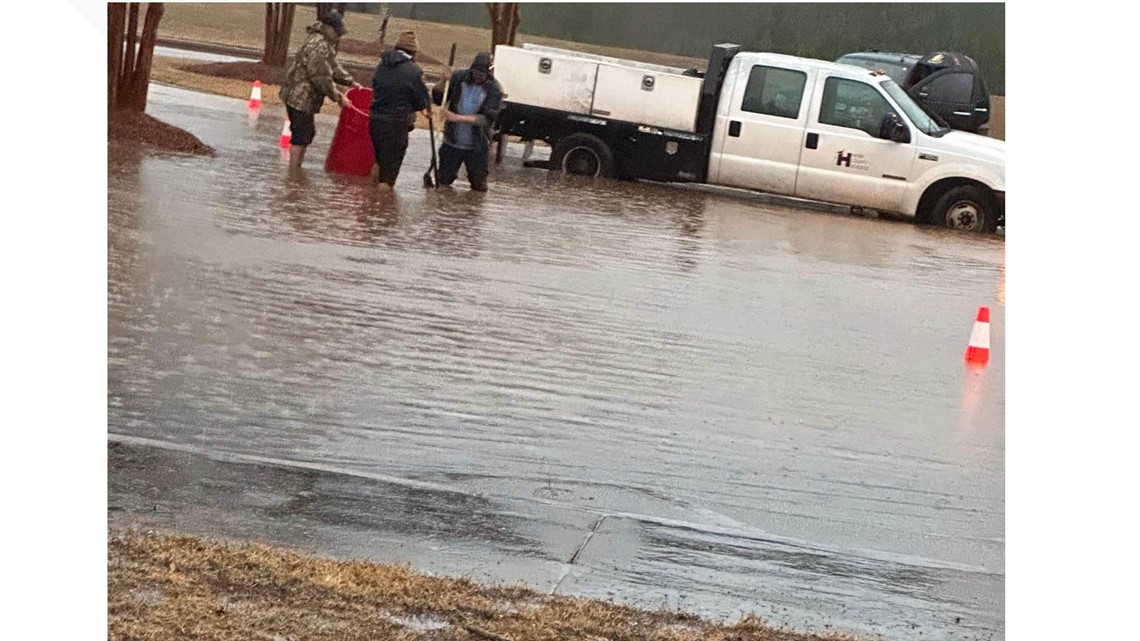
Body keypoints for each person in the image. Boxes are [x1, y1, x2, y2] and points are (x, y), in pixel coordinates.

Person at [278, 9, 361, 171]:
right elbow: (321, 77)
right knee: (301, 135)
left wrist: (350, 82)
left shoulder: (323, 43)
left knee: (306, 134)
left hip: (301, 97)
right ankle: (293, 172)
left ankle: (295, 169)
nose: (339, 36)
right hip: (299, 98)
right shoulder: (318, 45)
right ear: (328, 28)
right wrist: (338, 97)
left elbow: (332, 65)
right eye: (338, 32)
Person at [431, 52, 503, 192]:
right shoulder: (459, 78)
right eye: (475, 73)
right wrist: (443, 81)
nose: (477, 77)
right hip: (452, 141)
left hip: (477, 145)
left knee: (478, 186)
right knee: (443, 182)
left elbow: (486, 119)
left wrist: (456, 117)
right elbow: (439, 98)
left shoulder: (494, 90)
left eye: (481, 75)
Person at [369, 31, 431, 189]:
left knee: (379, 161)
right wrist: (424, 108)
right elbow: (421, 101)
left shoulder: (383, 64)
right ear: (414, 51)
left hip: (375, 121)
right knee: (389, 175)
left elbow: (375, 86)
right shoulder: (414, 71)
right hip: (396, 125)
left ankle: (369, 198)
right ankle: (380, 208)